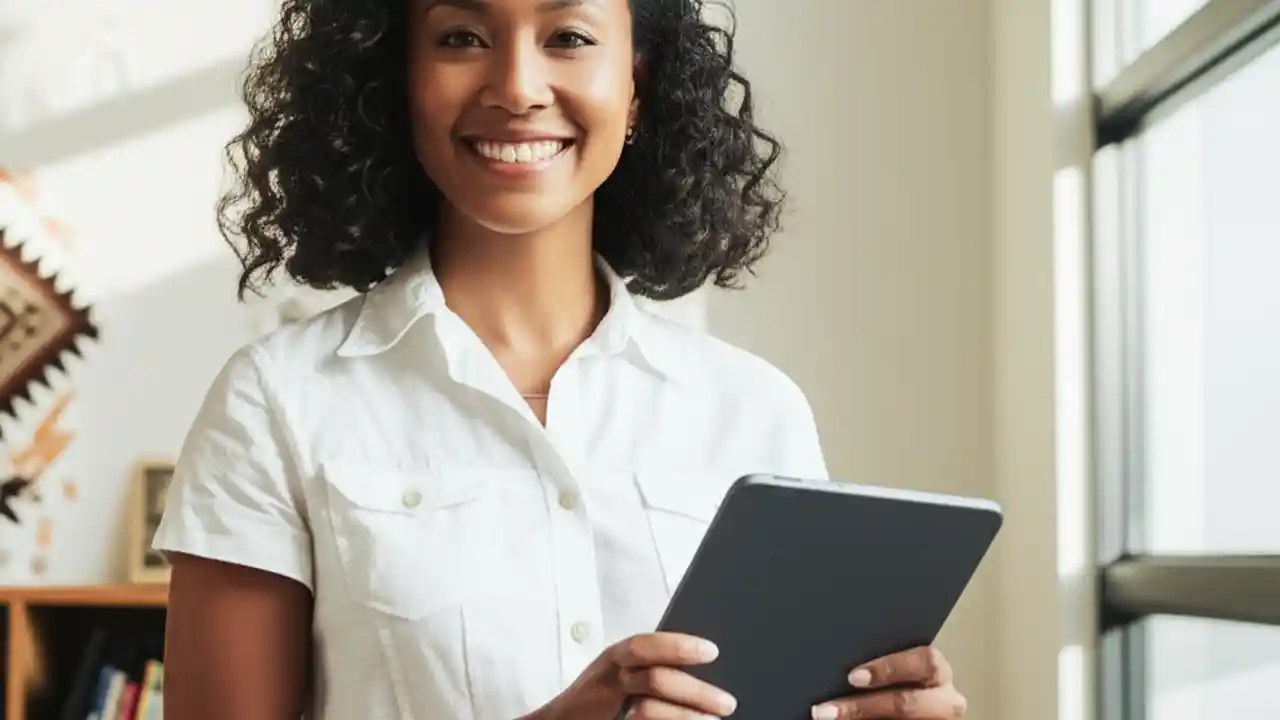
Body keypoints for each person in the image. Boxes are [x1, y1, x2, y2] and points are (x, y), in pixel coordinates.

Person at [153, 0, 970, 718]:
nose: (516, 86)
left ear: (638, 84)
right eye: (462, 35)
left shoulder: (756, 410)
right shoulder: (277, 401)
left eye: (570, 35)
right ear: (394, 80)